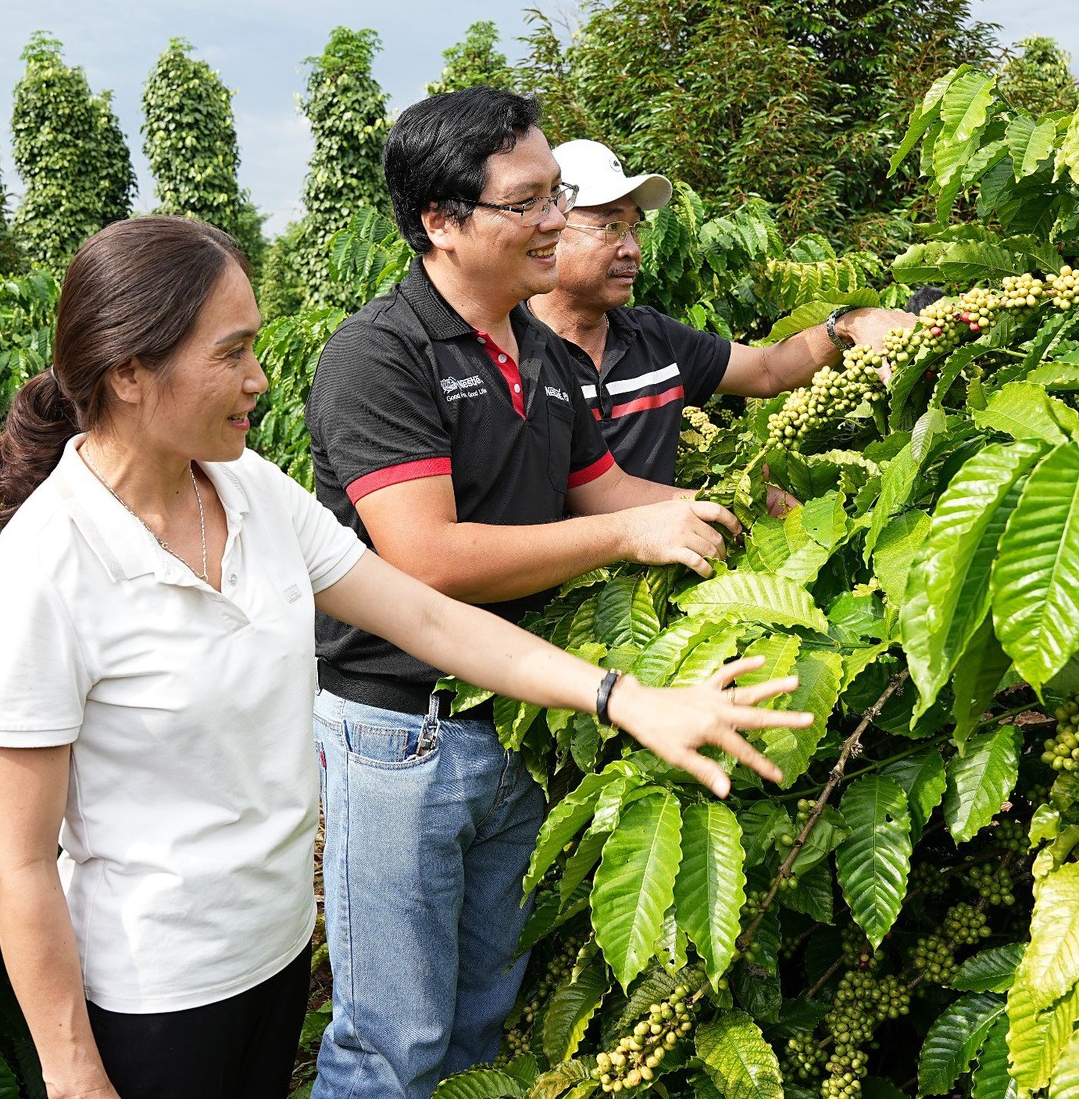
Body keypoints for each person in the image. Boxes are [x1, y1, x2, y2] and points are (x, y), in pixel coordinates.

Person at [0, 216, 817, 1099]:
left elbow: (428, 620)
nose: (259, 380)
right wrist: (71, 1073)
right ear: (131, 372)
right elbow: (18, 862)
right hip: (150, 998)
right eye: (232, 354)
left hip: (277, 957)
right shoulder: (45, 573)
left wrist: (624, 697)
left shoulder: (250, 492)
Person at [305, 90, 775, 1099]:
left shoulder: (549, 355)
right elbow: (420, 556)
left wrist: (752, 511)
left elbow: (610, 489)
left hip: (523, 709)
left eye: (555, 195)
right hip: (401, 732)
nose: (556, 222)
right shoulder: (378, 357)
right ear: (442, 220)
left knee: (481, 1018)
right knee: (392, 1039)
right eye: (528, 202)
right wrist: (620, 533)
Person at [529, 139, 921, 486]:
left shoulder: (654, 339)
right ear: (552, 230)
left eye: (634, 228)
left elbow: (770, 369)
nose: (631, 248)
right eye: (611, 226)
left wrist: (852, 323)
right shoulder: (507, 352)